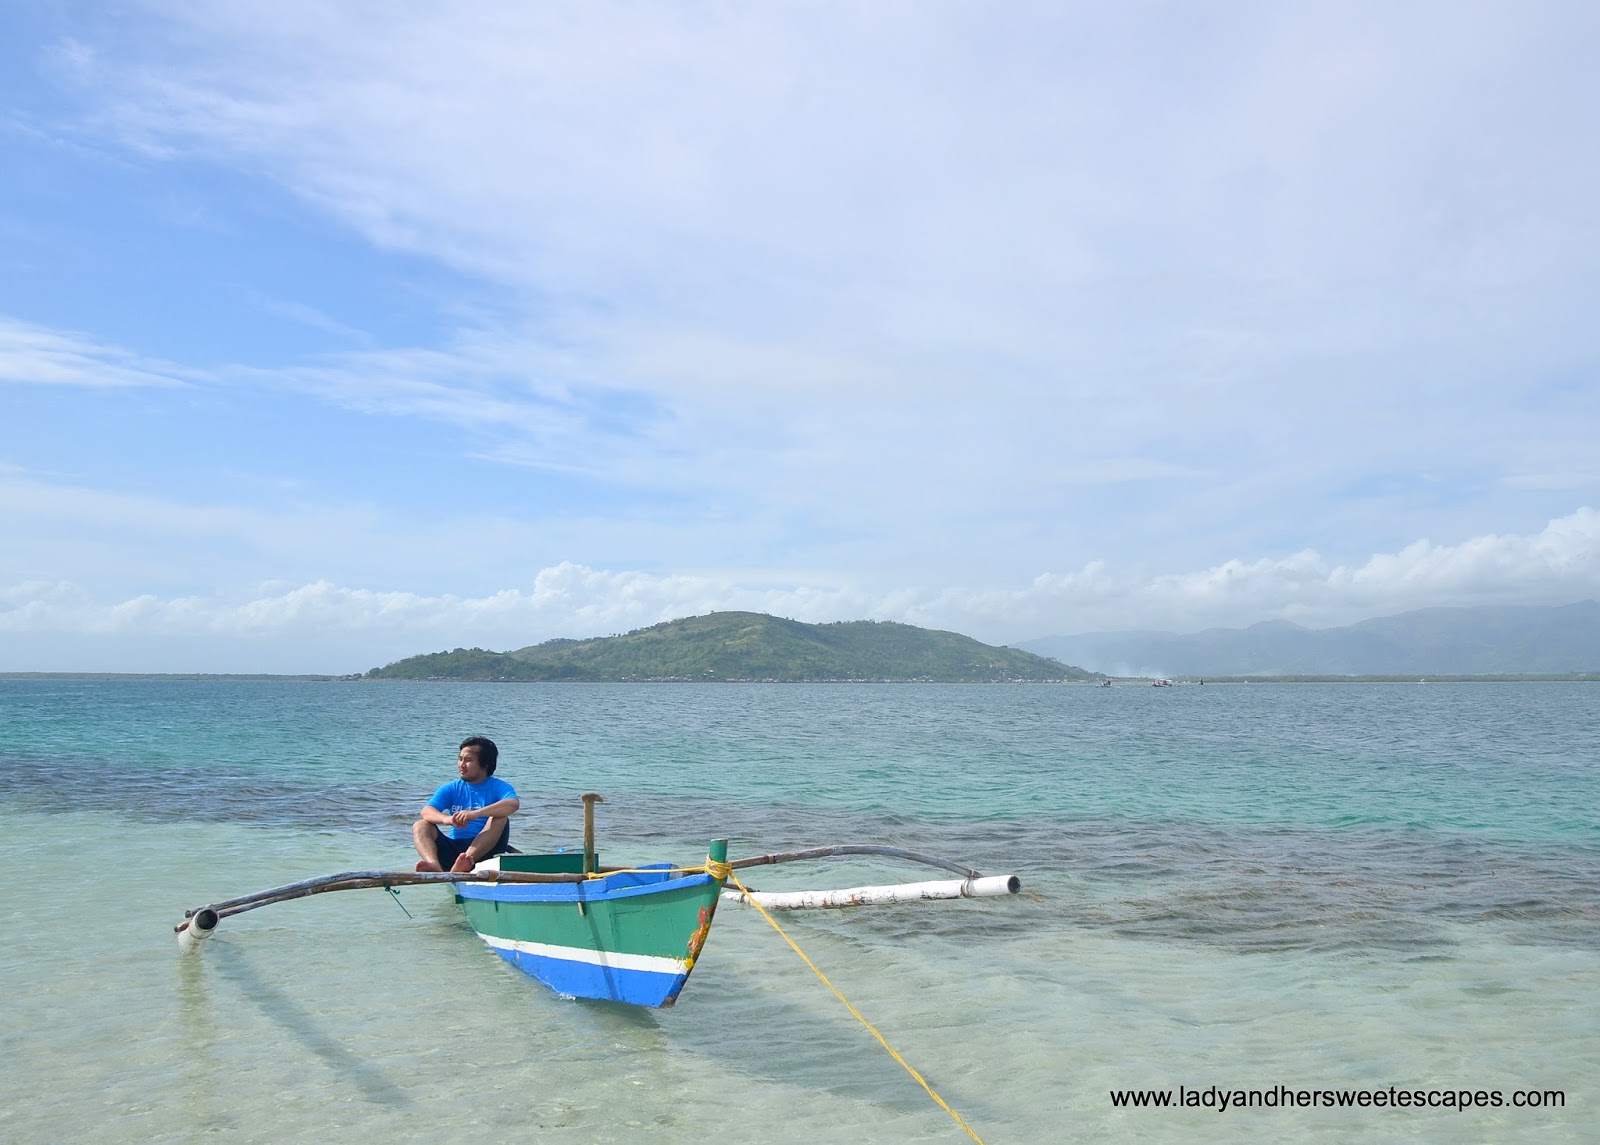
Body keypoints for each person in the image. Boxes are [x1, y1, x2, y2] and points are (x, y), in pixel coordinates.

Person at [413, 736, 521, 873]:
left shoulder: (499, 787)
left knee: (500, 818)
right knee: (420, 825)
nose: (461, 765)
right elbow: (427, 811)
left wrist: (476, 813)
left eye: (468, 760)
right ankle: (434, 865)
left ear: (485, 764)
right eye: (460, 759)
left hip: (483, 852)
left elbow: (513, 804)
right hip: (453, 851)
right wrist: (447, 819)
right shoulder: (452, 788)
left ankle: (467, 860)